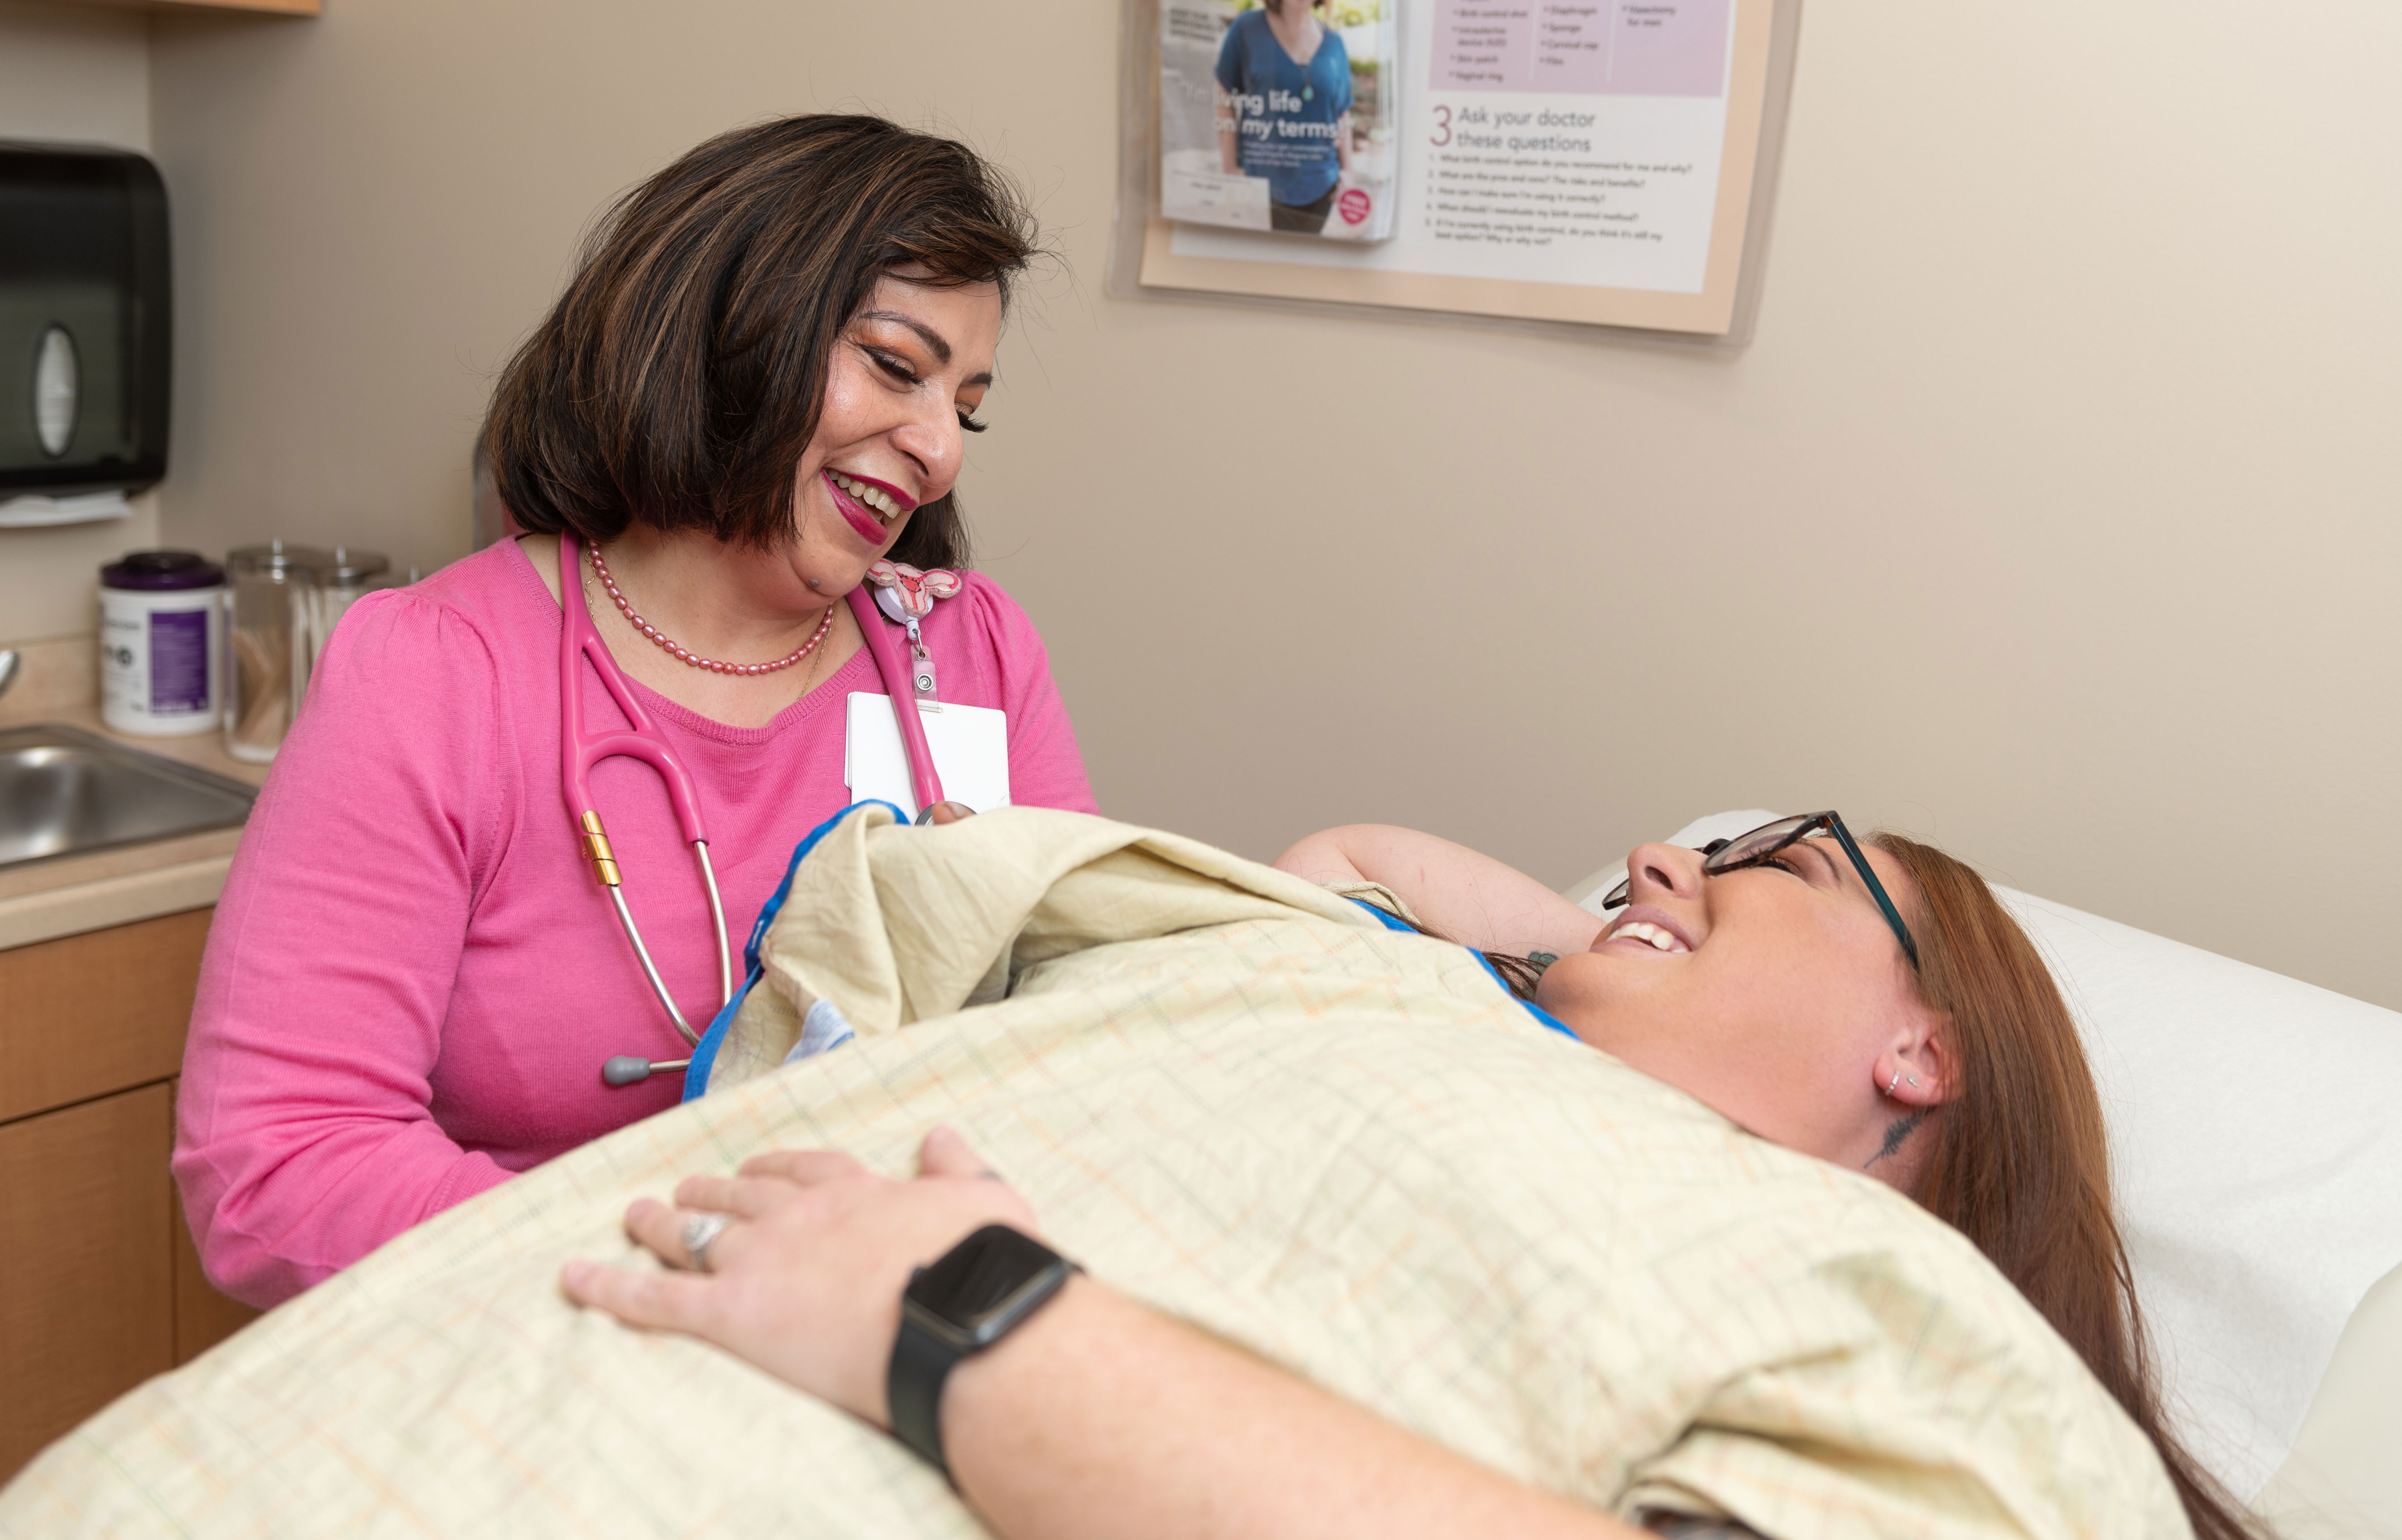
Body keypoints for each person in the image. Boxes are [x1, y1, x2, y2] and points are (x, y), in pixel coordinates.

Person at [563, 815, 2260, 1540]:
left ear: (1923, 1048)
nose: (1662, 854)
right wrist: (1596, 957)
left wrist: (962, 1313)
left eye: (1781, 865)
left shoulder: (1900, 1318)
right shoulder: (1420, 1008)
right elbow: (1348, 867)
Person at [176, 114, 1096, 1308]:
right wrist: (703, 1267)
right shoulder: (434, 675)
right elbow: (276, 1170)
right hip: (547, 1356)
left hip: (887, 1349)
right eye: (893, 364)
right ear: (732, 330)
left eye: (964, 406)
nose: (937, 450)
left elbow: (1083, 1043)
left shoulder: (973, 656)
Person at [1215, 0, 1355, 233]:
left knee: (1301, 271)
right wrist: (1229, 169)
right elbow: (1223, 96)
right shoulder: (1247, 29)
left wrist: (1348, 173)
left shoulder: (1334, 43)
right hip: (1259, 186)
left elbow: (1342, 115)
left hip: (1321, 190)